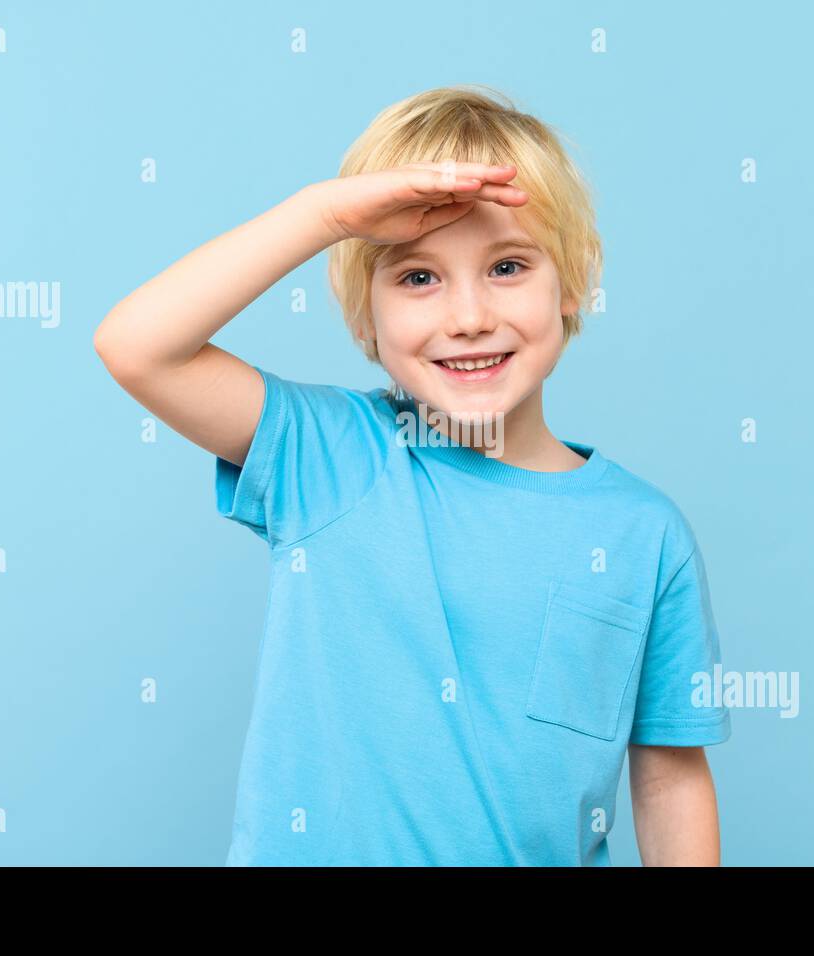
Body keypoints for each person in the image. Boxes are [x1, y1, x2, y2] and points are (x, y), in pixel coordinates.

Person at [94, 84, 731, 866]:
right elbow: (138, 346)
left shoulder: (642, 531)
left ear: (571, 283)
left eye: (506, 266)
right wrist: (329, 217)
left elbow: (669, 778)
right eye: (417, 277)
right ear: (367, 312)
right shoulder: (328, 455)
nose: (467, 317)